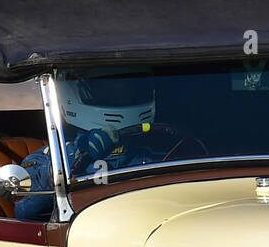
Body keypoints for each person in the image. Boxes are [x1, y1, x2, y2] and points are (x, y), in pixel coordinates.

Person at [15, 72, 170, 220]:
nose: (121, 94)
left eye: (131, 87)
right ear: (73, 92)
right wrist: (72, 159)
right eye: (108, 88)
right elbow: (25, 211)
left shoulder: (158, 150)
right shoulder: (52, 157)